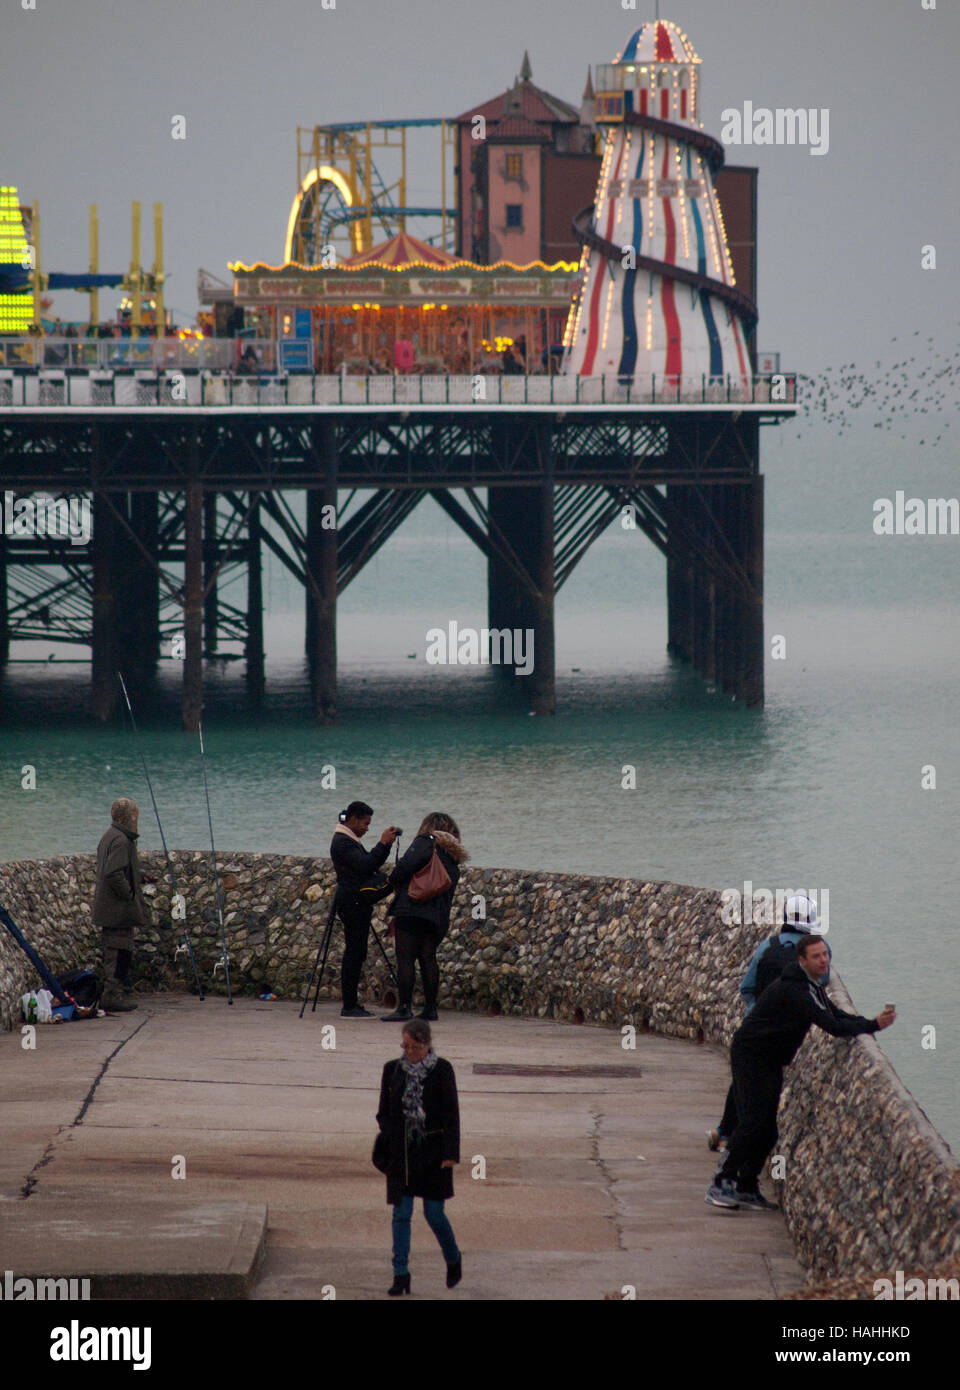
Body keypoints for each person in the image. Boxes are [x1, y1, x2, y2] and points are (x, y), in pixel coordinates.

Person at [705, 935, 895, 1211]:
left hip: (770, 1059)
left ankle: (746, 1186)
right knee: (753, 1123)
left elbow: (837, 1013)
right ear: (802, 960)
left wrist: (871, 1023)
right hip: (751, 1055)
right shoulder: (796, 990)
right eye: (816, 956)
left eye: (825, 955)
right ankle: (720, 1182)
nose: (823, 960)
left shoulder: (811, 987)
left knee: (768, 1129)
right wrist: (873, 1025)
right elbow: (832, 1025)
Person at [708, 893, 831, 1152]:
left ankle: (724, 1133)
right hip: (785, 1035)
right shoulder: (820, 950)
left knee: (743, 1080)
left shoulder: (768, 945)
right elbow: (822, 984)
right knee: (763, 1095)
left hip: (755, 1029)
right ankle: (735, 1156)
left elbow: (746, 988)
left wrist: (757, 1014)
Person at [376, 1019, 461, 1295]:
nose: (408, 1051)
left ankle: (452, 1257)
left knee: (434, 1214)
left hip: (433, 1153)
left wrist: (450, 1153)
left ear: (426, 1045)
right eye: (405, 1046)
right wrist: (390, 1136)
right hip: (402, 1153)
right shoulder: (392, 1070)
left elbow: (451, 1114)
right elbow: (383, 1112)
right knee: (401, 1213)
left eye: (413, 1047)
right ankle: (400, 1274)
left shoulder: (443, 1070)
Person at [380, 812, 468, 1023]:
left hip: (412, 909)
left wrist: (390, 882)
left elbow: (405, 868)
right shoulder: (452, 856)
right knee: (428, 958)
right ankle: (430, 1008)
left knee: (406, 957)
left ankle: (404, 1008)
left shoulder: (426, 842)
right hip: (437, 916)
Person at [330, 801, 399, 1018]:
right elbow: (366, 865)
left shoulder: (348, 840)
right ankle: (349, 1005)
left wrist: (384, 846)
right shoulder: (343, 842)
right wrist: (383, 844)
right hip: (352, 902)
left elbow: (367, 864)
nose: (367, 828)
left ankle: (351, 1004)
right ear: (353, 819)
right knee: (354, 952)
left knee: (357, 952)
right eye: (365, 823)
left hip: (355, 901)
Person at [92, 798, 152, 1012]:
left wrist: (140, 876)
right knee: (118, 953)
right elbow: (113, 873)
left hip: (110, 909)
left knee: (116, 952)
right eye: (135, 815)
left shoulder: (110, 836)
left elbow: (117, 869)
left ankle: (113, 993)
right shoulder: (121, 841)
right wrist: (128, 894)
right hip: (117, 911)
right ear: (129, 817)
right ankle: (112, 996)